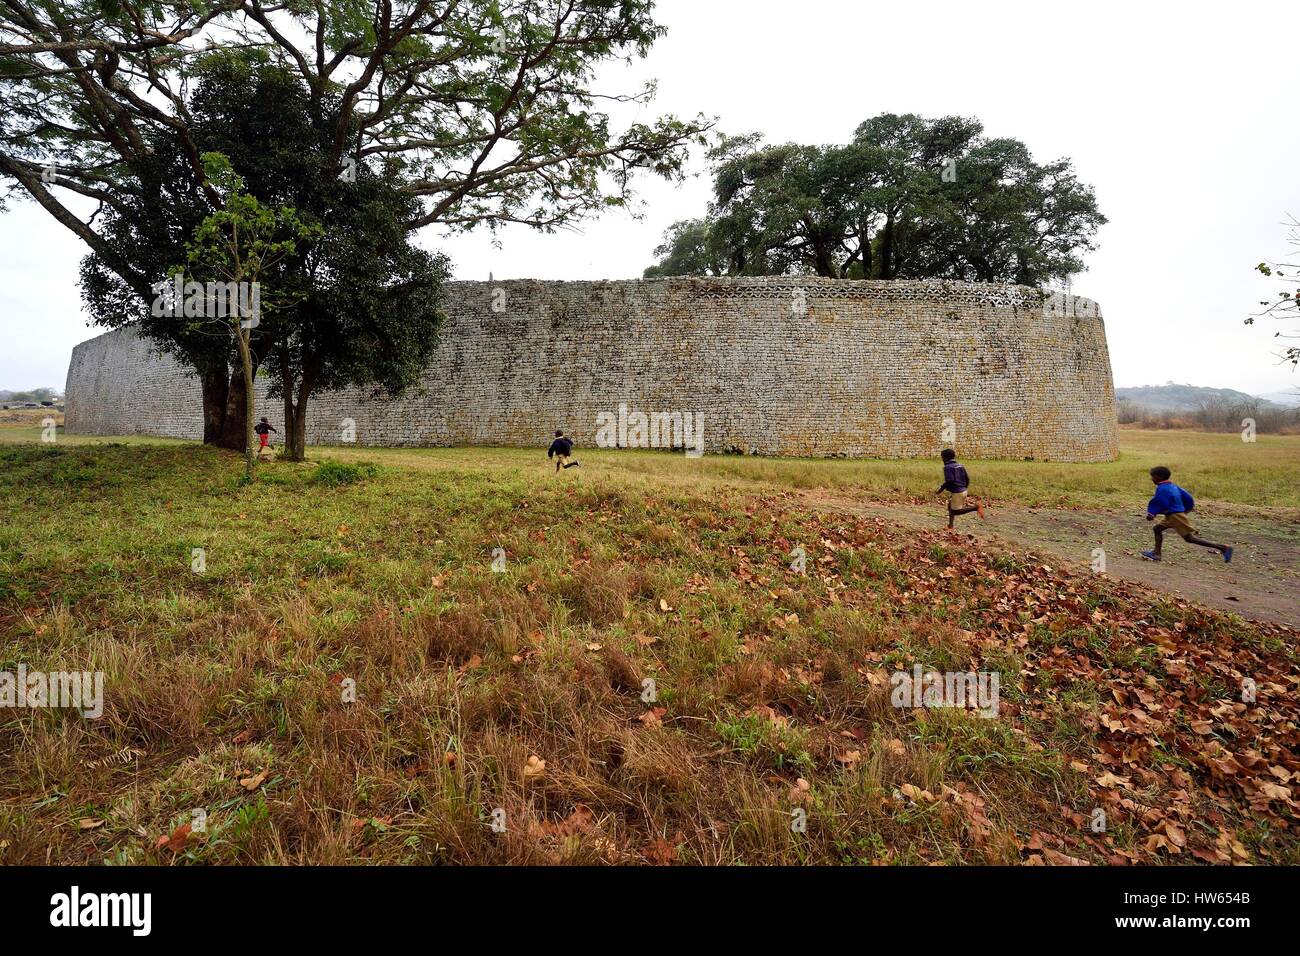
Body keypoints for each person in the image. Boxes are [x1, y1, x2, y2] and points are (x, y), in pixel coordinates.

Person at [1142, 466, 1232, 563]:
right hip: (1173, 514)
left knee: (1189, 538)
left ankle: (1223, 548)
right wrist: (1186, 509)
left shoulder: (1162, 489)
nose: (1152, 479)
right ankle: (1156, 553)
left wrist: (1152, 513)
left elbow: (1159, 501)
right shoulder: (1173, 486)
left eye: (1153, 476)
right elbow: (1188, 497)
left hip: (1175, 515)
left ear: (1159, 477)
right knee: (1157, 529)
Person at [936, 448, 984, 529]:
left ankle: (976, 507)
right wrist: (964, 488)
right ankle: (950, 526)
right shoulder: (960, 465)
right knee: (950, 506)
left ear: (946, 457)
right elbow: (967, 479)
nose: (942, 459)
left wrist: (941, 489)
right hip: (963, 490)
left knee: (955, 511)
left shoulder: (947, 467)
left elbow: (950, 480)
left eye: (942, 457)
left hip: (957, 492)